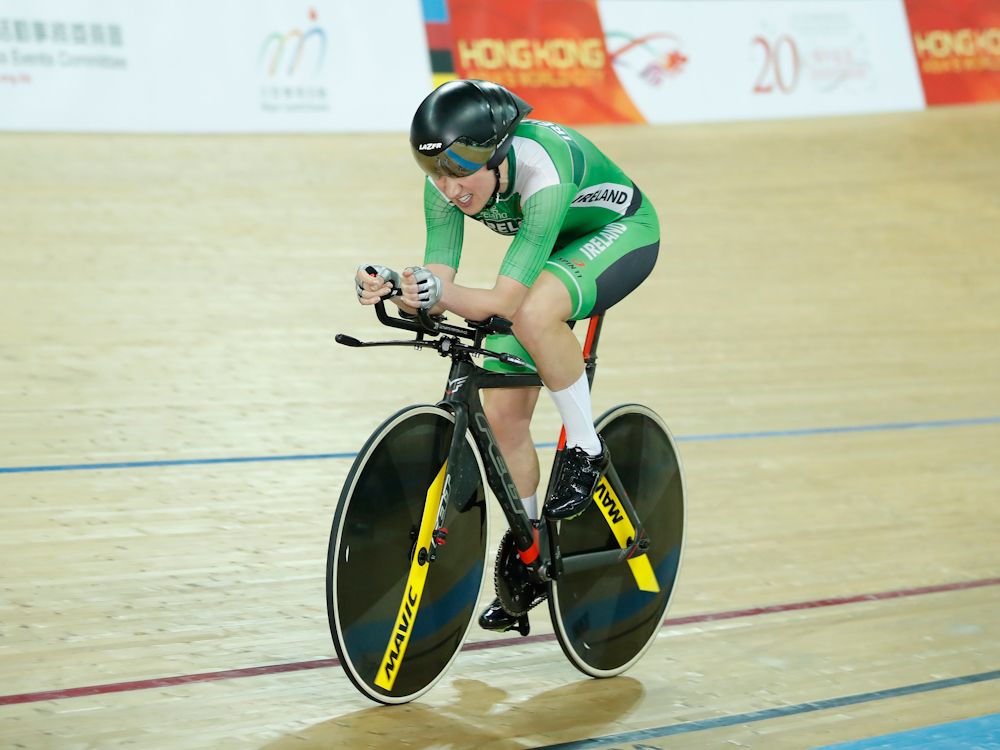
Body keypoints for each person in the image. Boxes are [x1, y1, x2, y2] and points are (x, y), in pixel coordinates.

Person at [355, 79, 660, 632]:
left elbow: (501, 302)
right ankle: (531, 550)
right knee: (503, 419)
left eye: (459, 173)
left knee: (534, 314)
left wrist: (435, 291)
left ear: (495, 154)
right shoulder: (444, 182)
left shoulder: (543, 171)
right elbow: (439, 283)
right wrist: (396, 286)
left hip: (619, 235)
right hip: (550, 249)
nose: (449, 189)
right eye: (436, 174)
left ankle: (587, 449)